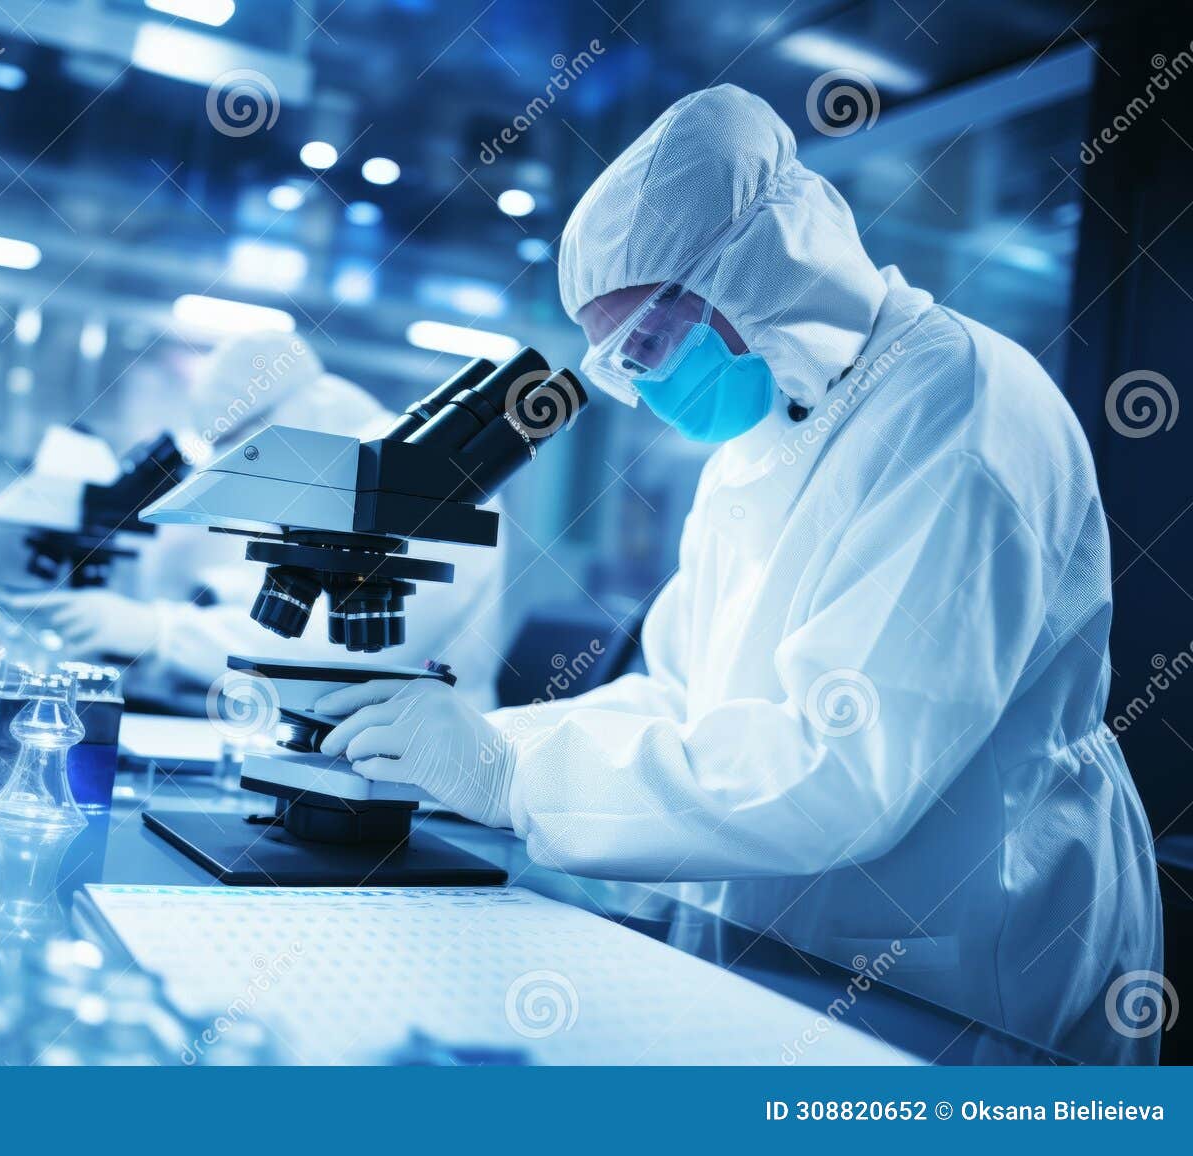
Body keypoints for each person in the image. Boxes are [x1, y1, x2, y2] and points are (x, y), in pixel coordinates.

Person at [317, 85, 1163, 1063]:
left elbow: (838, 762)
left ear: (760, 272)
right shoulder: (758, 449)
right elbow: (677, 697)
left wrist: (510, 777)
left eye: (646, 345)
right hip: (792, 934)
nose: (645, 389)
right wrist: (462, 748)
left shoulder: (957, 406)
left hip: (969, 949)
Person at [10, 330, 507, 708]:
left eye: (244, 447)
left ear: (295, 409)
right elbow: (272, 609)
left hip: (425, 786)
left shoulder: (425, 476)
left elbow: (356, 656)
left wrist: (161, 633)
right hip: (315, 740)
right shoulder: (322, 484)